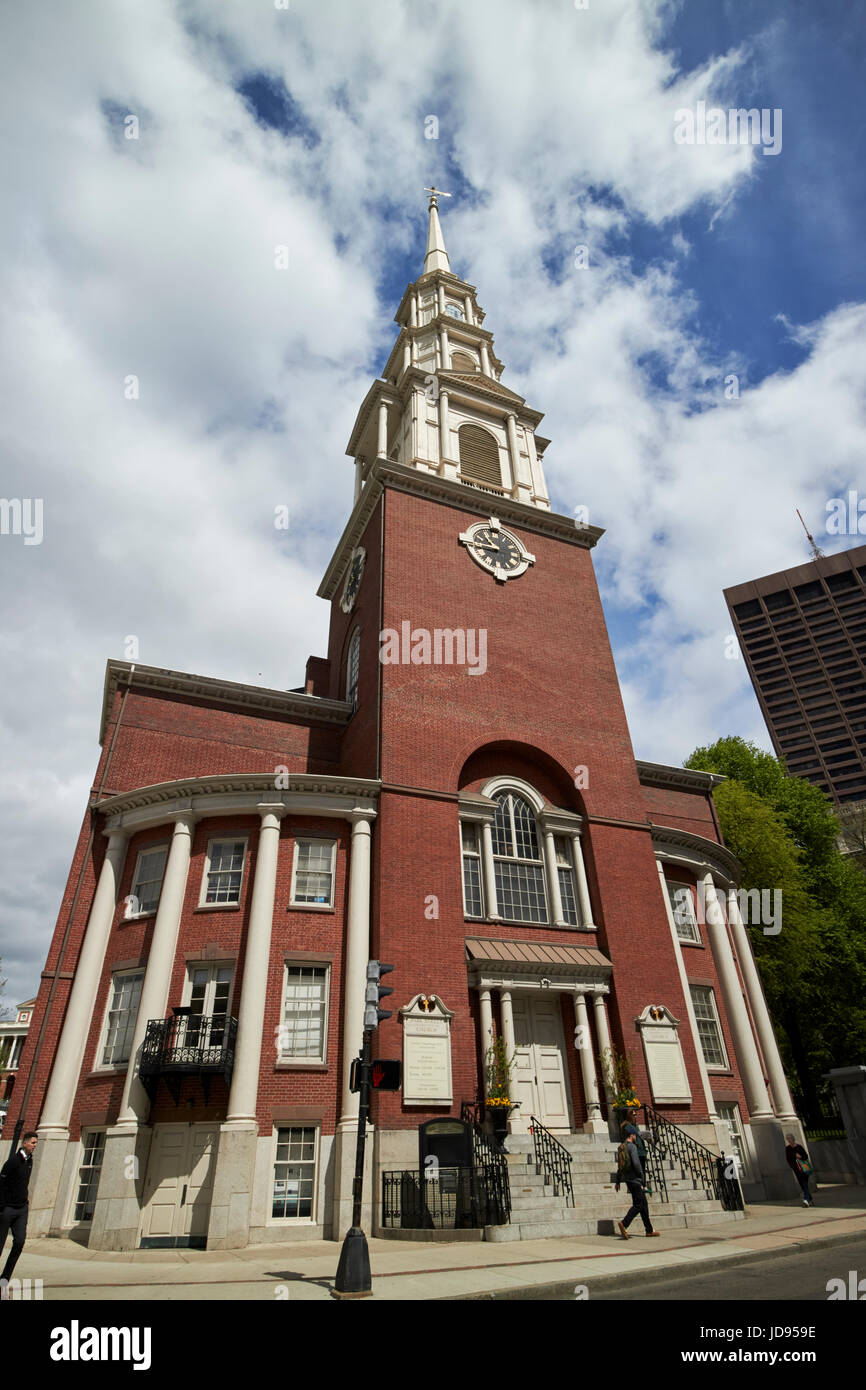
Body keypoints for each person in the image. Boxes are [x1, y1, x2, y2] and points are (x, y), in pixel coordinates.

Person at [0, 1131, 38, 1298]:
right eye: (33, 1143)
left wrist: (25, 1204)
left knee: (20, 1242)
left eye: (36, 1143)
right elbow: (1, 1183)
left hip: (21, 1209)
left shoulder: (30, 1161)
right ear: (25, 1143)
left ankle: (4, 1281)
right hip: (7, 1209)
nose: (35, 1146)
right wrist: (2, 1206)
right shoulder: (13, 1161)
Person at [616, 1131, 659, 1238]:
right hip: (635, 1179)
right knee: (639, 1204)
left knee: (643, 1203)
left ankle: (649, 1230)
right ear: (631, 1136)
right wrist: (642, 1176)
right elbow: (636, 1162)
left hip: (628, 1179)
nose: (636, 1138)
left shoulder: (622, 1147)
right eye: (635, 1136)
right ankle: (624, 1223)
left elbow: (620, 1166)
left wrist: (618, 1181)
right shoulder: (632, 1147)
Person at [785, 1133, 815, 1207]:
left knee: (804, 1183)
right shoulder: (788, 1149)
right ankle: (809, 1198)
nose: (789, 1140)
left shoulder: (799, 1147)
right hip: (796, 1169)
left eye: (790, 1138)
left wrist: (800, 1156)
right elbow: (788, 1159)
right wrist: (792, 1166)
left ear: (793, 1138)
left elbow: (805, 1156)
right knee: (802, 1184)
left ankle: (806, 1200)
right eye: (788, 1138)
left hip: (804, 1169)